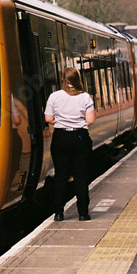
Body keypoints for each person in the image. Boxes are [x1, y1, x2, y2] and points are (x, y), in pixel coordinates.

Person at [44, 67, 96, 221]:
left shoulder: (54, 96)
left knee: (61, 176)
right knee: (81, 177)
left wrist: (59, 121)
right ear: (78, 79)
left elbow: (48, 118)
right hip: (79, 136)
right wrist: (79, 123)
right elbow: (91, 120)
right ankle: (83, 214)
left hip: (60, 137)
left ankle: (59, 213)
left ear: (63, 79)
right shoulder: (85, 97)